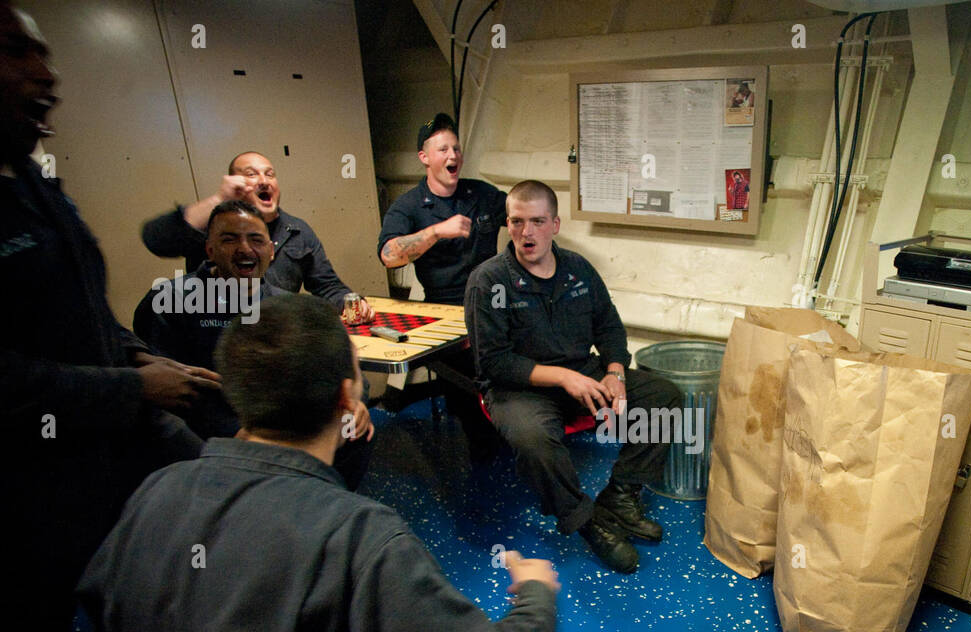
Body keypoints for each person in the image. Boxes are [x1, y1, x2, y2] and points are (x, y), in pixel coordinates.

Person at [78, 294, 572, 632]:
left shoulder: (153, 492)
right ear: (347, 394)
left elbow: (104, 615)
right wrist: (535, 596)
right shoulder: (359, 537)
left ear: (235, 391)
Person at [0, 2, 220, 632]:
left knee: (211, 518)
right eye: (17, 53)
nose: (48, 76)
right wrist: (133, 385)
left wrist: (134, 353)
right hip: (30, 480)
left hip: (108, 436)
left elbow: (82, 309)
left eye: (45, 54)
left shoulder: (31, 184)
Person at [465, 180, 683, 573]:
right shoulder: (489, 281)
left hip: (583, 374)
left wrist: (615, 371)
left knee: (664, 397)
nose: (526, 232)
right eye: (516, 221)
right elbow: (492, 362)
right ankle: (587, 521)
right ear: (507, 224)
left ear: (556, 225)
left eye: (537, 221)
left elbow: (609, 328)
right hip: (519, 387)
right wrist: (564, 377)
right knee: (535, 440)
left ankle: (621, 493)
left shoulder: (578, 270)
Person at [134, 199, 374, 489]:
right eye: (230, 239)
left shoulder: (286, 306)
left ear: (271, 252)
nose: (245, 249)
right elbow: (165, 398)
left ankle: (318, 510)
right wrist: (235, 434)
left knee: (355, 437)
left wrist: (353, 405)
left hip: (280, 430)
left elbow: (338, 368)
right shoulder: (170, 304)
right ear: (209, 250)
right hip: (207, 439)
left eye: (256, 239)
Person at [376, 113, 503, 453]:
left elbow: (521, 212)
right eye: (443, 149)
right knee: (466, 380)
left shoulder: (482, 194)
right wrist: (435, 232)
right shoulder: (410, 206)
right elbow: (390, 255)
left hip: (494, 300)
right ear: (424, 157)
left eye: (456, 149)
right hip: (446, 308)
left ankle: (518, 427)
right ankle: (484, 444)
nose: (453, 156)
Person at [140, 150, 375, 321]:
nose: (263, 180)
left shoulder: (297, 231)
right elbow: (157, 239)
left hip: (274, 331)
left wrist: (351, 302)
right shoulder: (214, 228)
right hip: (219, 332)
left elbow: (327, 285)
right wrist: (219, 199)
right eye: (251, 174)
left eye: (270, 174)